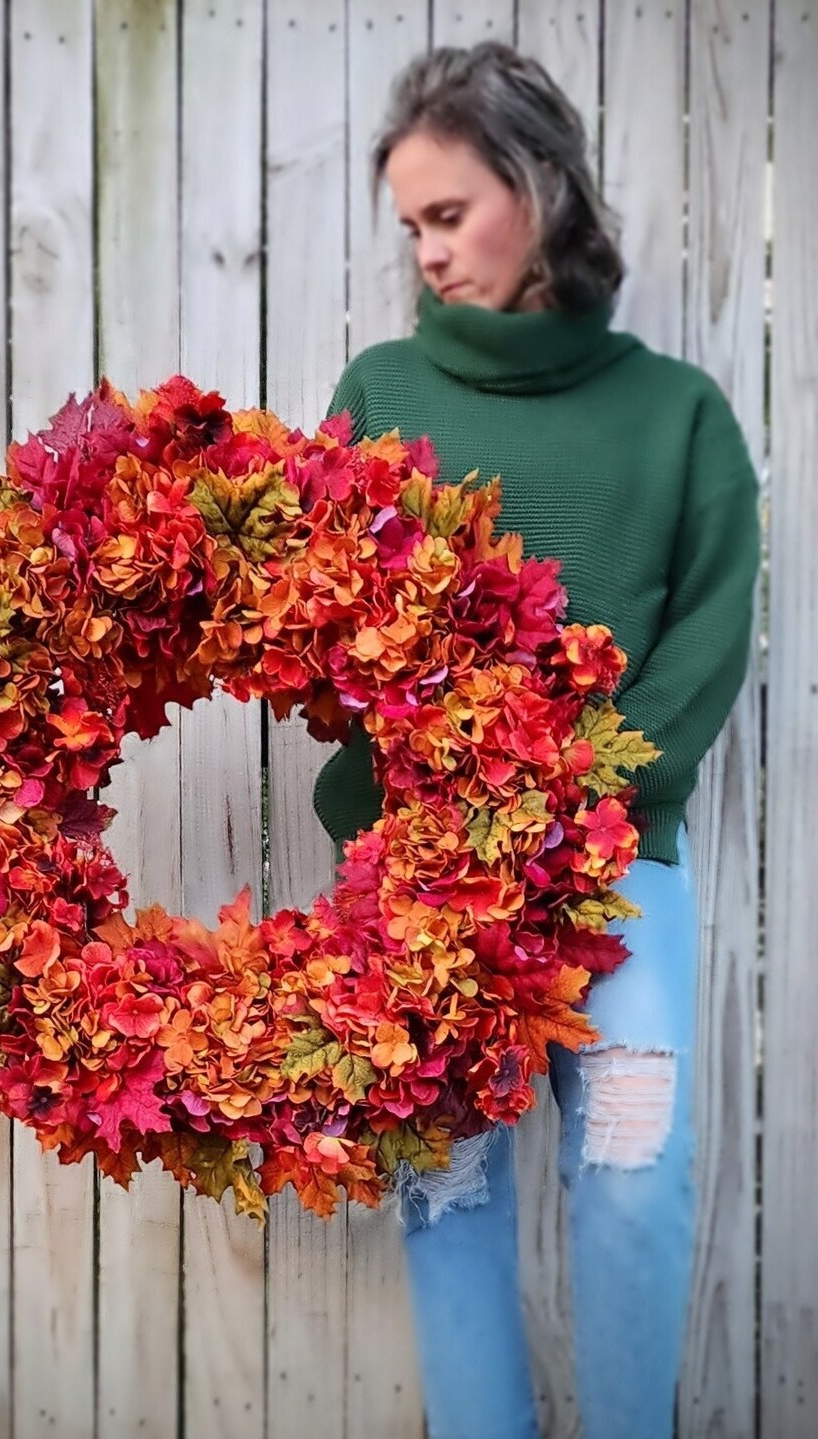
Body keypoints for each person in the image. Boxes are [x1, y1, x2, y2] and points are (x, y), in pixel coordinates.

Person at [311, 41, 760, 1439]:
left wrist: (575, 798)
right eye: (412, 229)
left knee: (635, 1173)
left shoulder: (679, 415)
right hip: (423, 884)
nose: (429, 255)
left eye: (450, 217)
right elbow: (324, 631)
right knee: (445, 1189)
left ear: (540, 188)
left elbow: (708, 641)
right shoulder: (380, 398)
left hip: (620, 877)